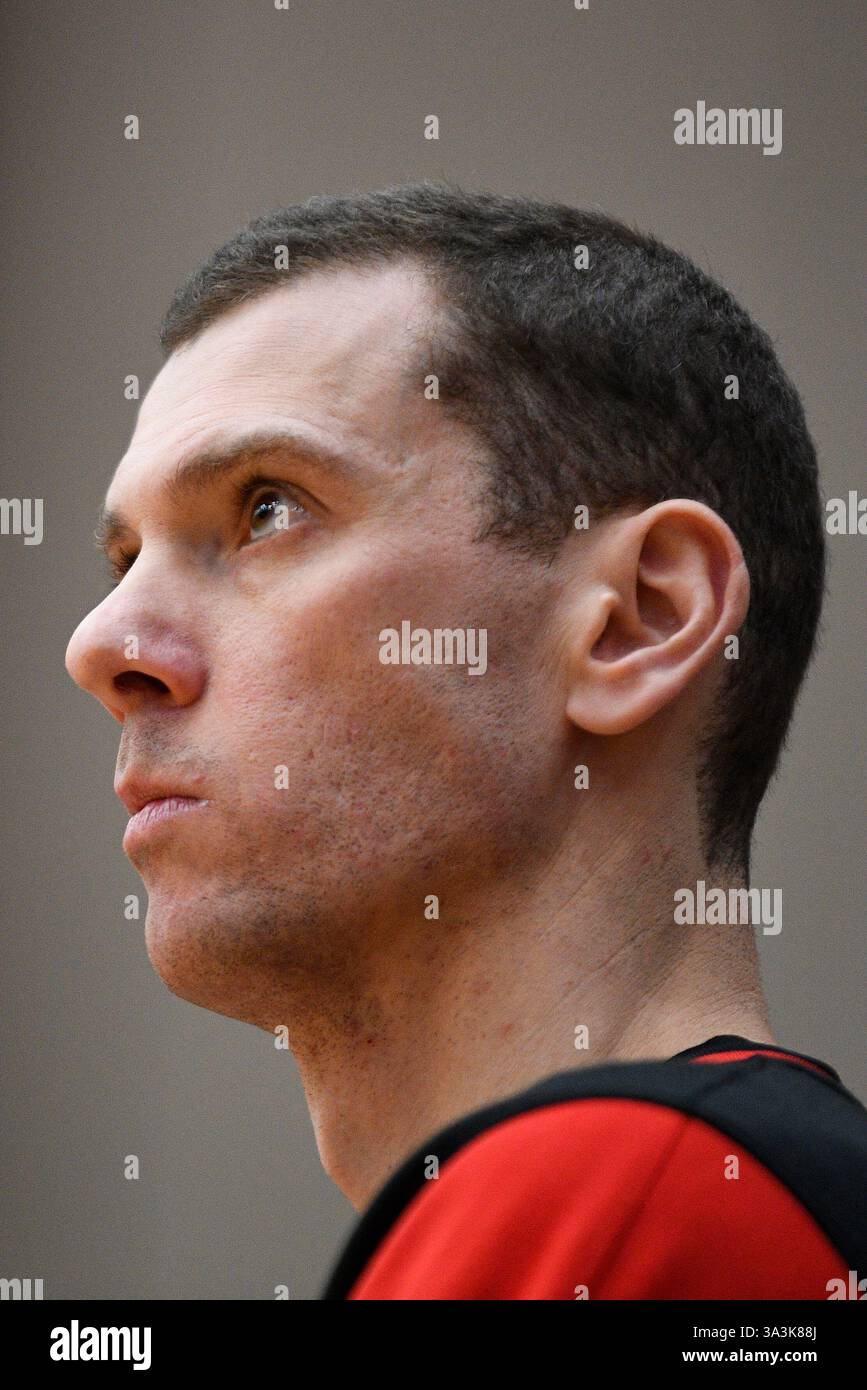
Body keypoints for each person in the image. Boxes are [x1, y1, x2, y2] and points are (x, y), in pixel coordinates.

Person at [65, 183, 867, 1299]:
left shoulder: (625, 1210)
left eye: (267, 509)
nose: (100, 645)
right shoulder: (736, 1204)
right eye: (124, 562)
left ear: (641, 619)